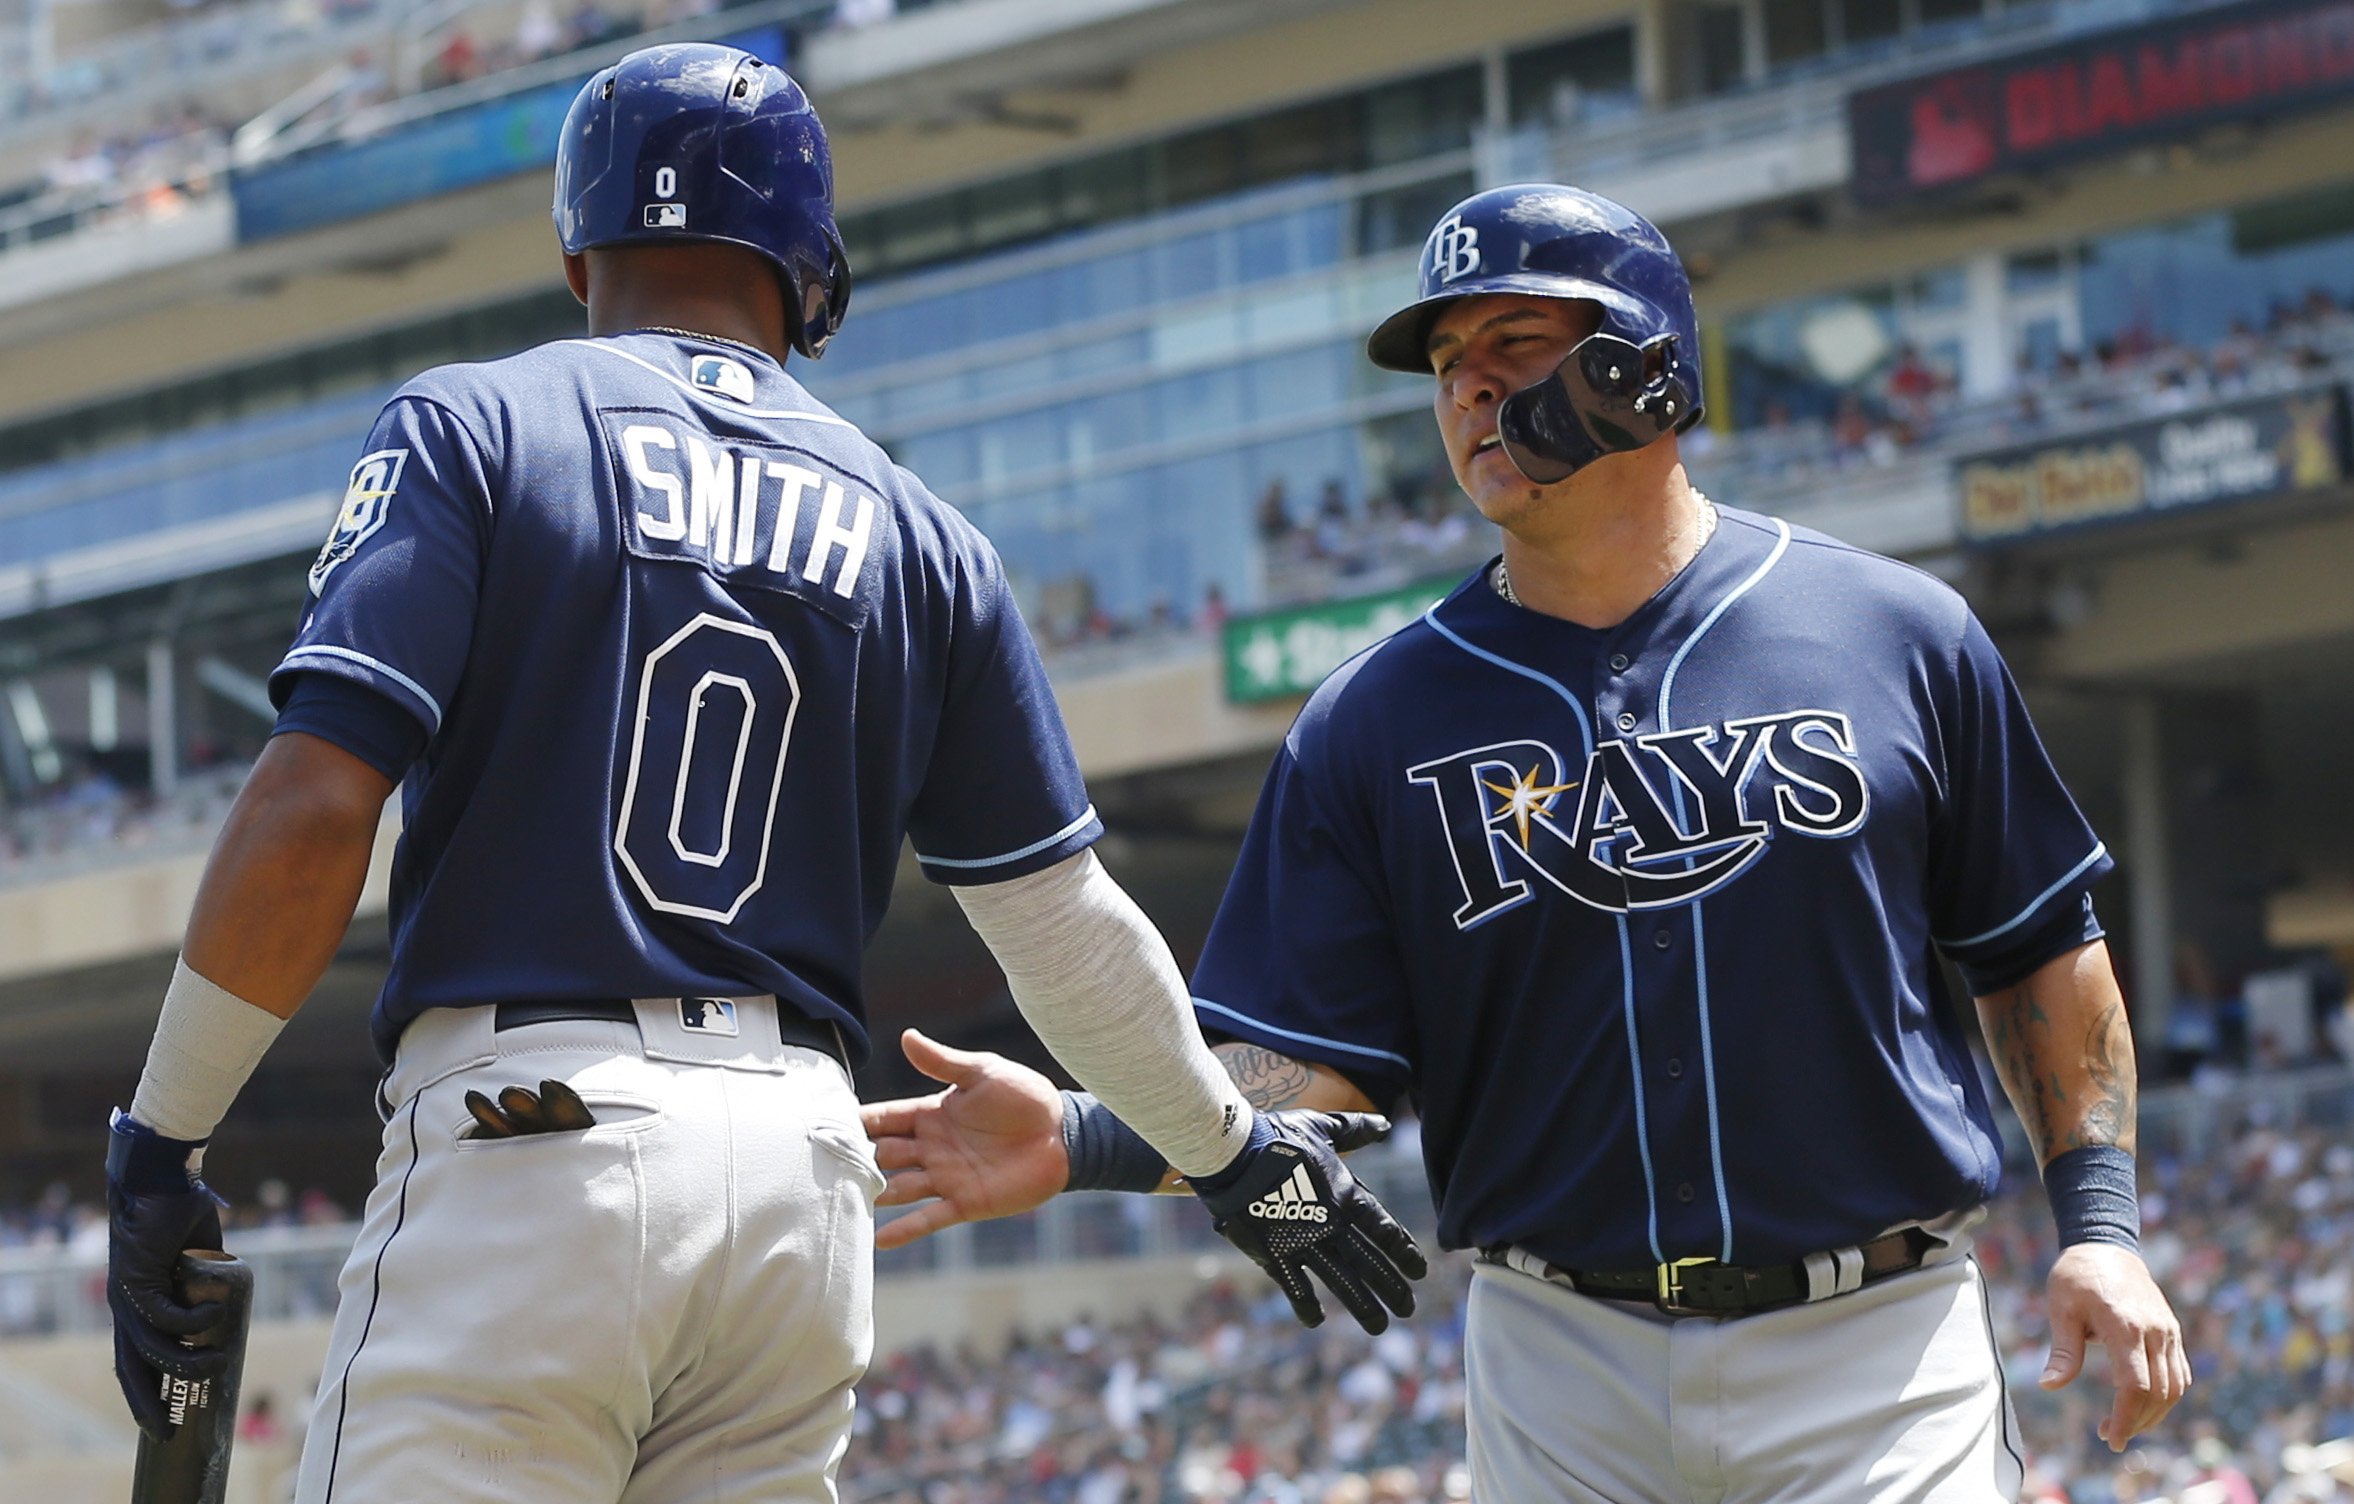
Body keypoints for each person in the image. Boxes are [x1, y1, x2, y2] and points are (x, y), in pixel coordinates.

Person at [100, 44, 1419, 1504]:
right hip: (798, 1175)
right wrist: (1232, 1157)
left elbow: (313, 809)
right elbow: (1064, 933)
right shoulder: (924, 532)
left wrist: (162, 1141)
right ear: (809, 271)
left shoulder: (483, 423)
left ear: (577, 244)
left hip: (536, 1135)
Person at [859, 185, 2189, 1501]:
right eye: (1445, 365)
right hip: (1562, 1363)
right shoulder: (1372, 722)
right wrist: (1092, 1136)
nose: (1468, 393)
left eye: (1514, 348)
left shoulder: (1894, 632)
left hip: (1874, 1344)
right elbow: (1313, 1073)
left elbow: (2035, 950)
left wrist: (2103, 1235)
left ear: (1647, 374)